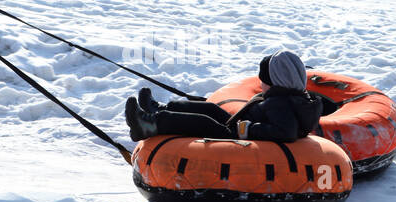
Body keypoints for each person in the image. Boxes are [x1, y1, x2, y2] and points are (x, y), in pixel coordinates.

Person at [125, 50, 323, 142]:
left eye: (264, 80)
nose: (260, 84)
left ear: (277, 81)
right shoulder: (289, 98)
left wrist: (248, 129)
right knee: (211, 109)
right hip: (240, 127)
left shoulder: (280, 103)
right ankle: (159, 109)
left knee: (205, 123)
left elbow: (286, 132)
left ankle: (150, 124)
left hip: (240, 136)